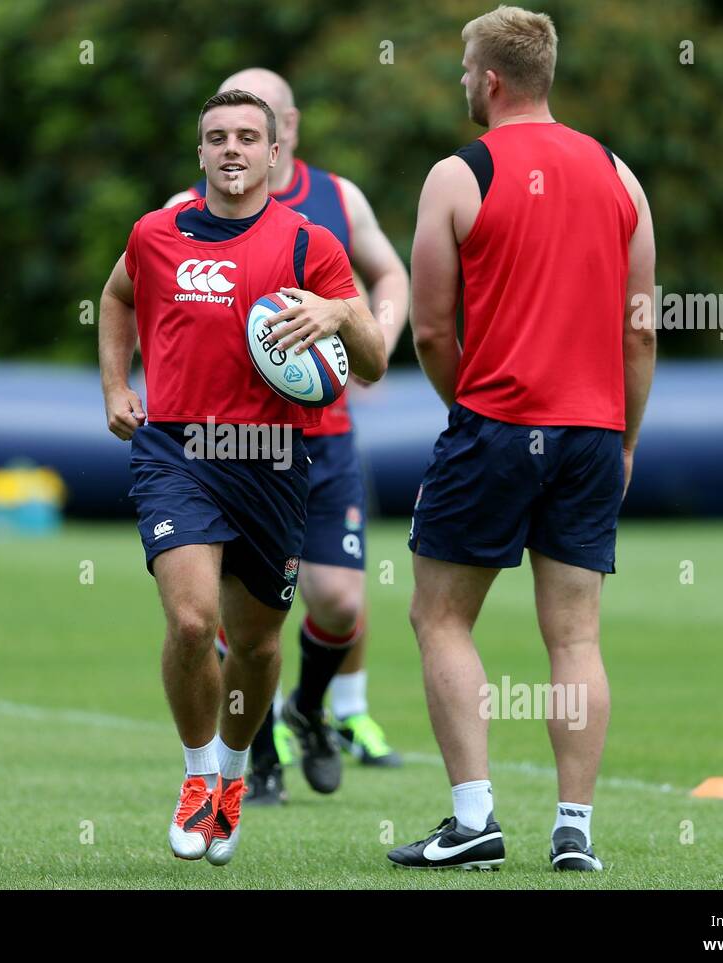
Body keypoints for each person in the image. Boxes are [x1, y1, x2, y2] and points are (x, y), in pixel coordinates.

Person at [388, 5, 656, 871]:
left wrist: (466, 409)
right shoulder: (621, 173)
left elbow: (430, 331)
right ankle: (573, 826)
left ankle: (473, 820)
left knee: (440, 614)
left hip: (498, 422)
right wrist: (624, 437)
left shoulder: (457, 174)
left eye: (467, 71)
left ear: (491, 79)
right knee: (575, 636)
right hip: (591, 432)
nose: (463, 83)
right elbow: (641, 330)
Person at [99, 89, 384, 863]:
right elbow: (117, 294)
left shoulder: (309, 242)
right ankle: (197, 776)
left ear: (271, 153)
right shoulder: (156, 234)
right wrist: (117, 386)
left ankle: (231, 772)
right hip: (177, 451)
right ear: (201, 153)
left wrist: (338, 316)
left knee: (256, 647)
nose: (232, 149)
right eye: (216, 137)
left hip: (272, 459)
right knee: (192, 622)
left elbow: (376, 361)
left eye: (247, 137)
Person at [166, 69, 410, 803]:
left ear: (287, 129)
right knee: (215, 608)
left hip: (322, 438)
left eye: (261, 122)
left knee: (337, 602)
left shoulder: (336, 200)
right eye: (227, 127)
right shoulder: (186, 211)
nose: (241, 140)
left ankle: (308, 708)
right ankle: (255, 737)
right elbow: (142, 289)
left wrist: (373, 337)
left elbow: (390, 273)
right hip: (227, 442)